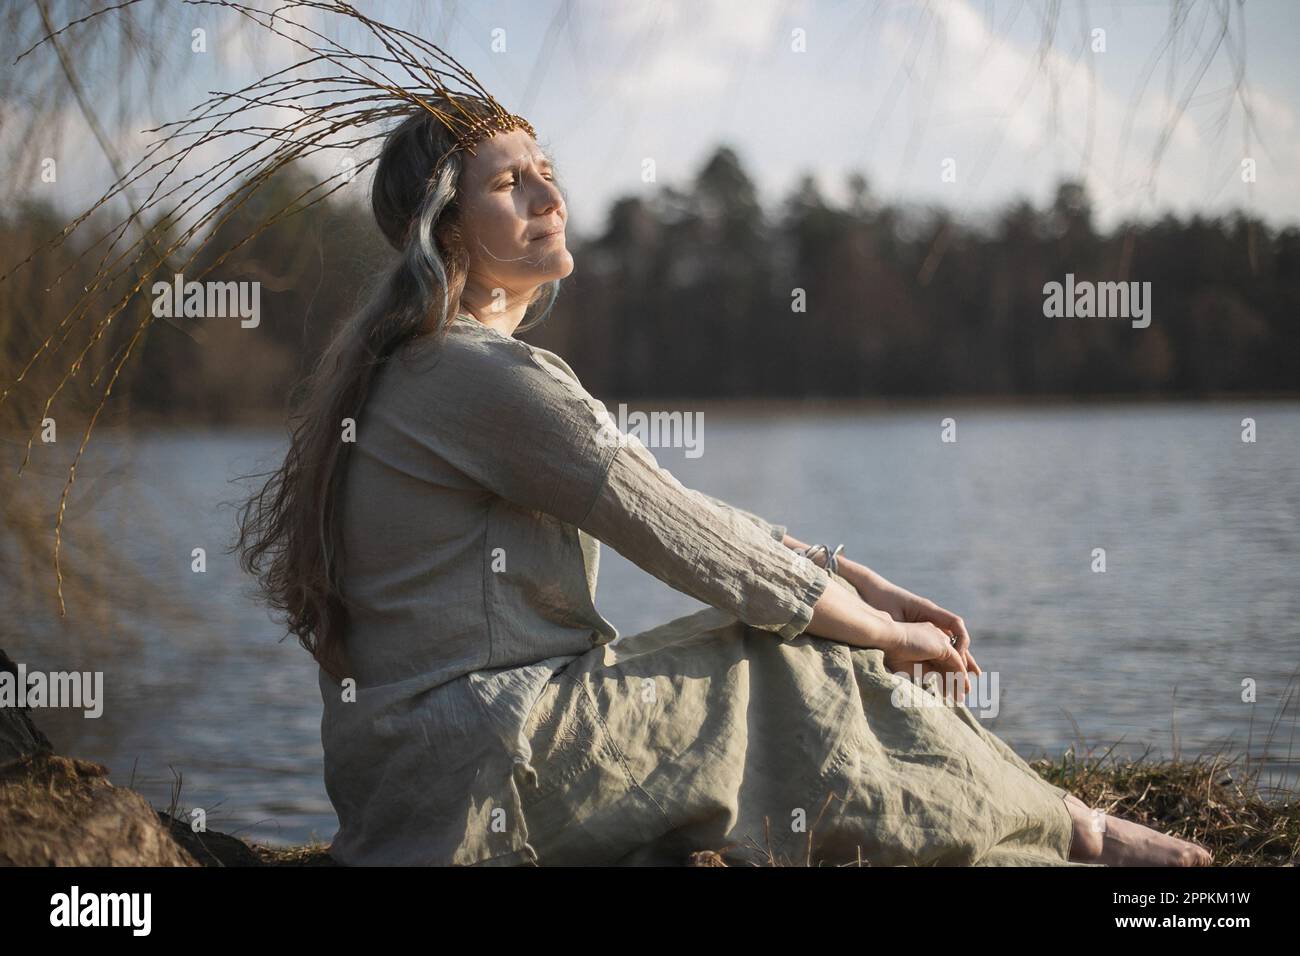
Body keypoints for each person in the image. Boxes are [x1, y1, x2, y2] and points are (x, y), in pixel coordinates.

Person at [236, 96, 1212, 868]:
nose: (548, 199)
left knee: (797, 639)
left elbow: (680, 508)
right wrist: (878, 630)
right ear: (446, 229)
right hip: (483, 777)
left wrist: (859, 581)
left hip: (410, 782)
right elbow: (686, 540)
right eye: (509, 186)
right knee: (786, 658)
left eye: (547, 174)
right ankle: (1070, 832)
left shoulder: (416, 366)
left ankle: (1042, 814)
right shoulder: (477, 375)